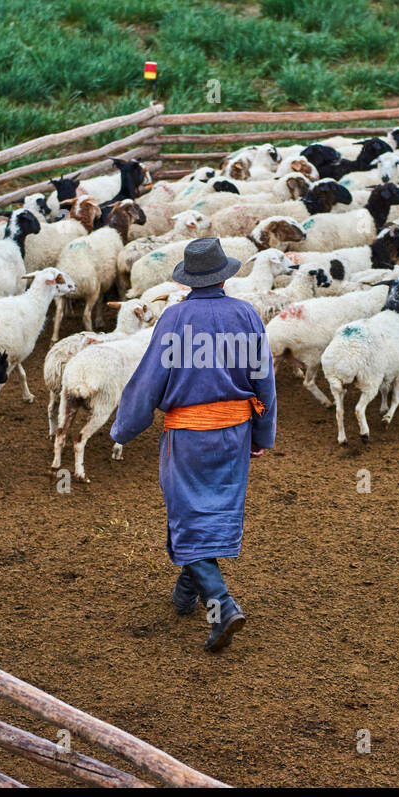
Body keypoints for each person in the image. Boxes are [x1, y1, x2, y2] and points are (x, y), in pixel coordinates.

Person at [110, 237, 277, 652]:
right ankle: (185, 596)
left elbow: (149, 380)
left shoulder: (174, 319)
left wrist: (124, 428)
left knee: (187, 514)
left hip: (188, 436)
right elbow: (265, 380)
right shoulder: (247, 315)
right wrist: (261, 434)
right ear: (224, 275)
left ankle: (221, 603)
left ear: (188, 279)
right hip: (235, 433)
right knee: (214, 512)